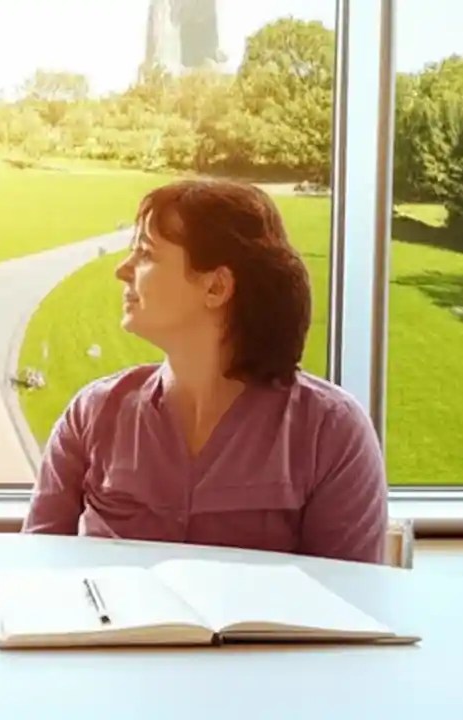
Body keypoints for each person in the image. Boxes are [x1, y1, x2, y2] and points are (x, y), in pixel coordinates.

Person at [21, 179, 388, 564]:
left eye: (145, 253)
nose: (122, 270)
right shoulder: (91, 415)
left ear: (216, 287)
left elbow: (348, 595)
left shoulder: (332, 433)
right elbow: (36, 568)